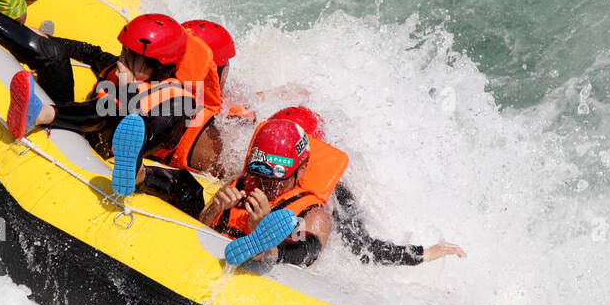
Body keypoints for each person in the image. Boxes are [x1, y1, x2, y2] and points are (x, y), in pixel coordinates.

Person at [7, 14, 209, 214]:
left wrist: (127, 90)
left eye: (133, 56)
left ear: (159, 66)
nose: (123, 59)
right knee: (55, 56)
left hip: (126, 156)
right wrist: (46, 40)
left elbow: (143, 136)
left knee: (111, 110)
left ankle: (42, 114)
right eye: (125, 50)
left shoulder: (179, 103)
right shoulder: (120, 68)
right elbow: (91, 53)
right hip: (89, 135)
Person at [200, 117, 467, 267]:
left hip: (272, 262)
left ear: (301, 170)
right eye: (260, 174)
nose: (265, 185)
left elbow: (308, 251)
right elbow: (196, 229)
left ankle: (263, 248)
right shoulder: (240, 184)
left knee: (289, 235)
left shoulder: (314, 215)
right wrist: (212, 210)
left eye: (277, 179)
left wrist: (264, 237)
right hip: (212, 261)